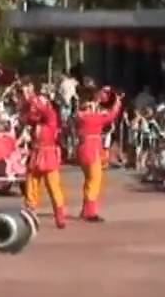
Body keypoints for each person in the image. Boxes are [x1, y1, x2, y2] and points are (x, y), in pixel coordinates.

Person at [19, 82, 68, 229]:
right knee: (30, 187)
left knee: (54, 188)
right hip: (36, 154)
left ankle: (60, 217)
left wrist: (33, 97)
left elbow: (45, 111)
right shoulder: (35, 121)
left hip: (48, 154)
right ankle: (30, 214)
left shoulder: (51, 117)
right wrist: (27, 100)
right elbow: (25, 116)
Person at [73, 83, 124, 222]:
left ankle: (85, 209)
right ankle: (90, 212)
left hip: (82, 148)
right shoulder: (94, 117)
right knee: (94, 181)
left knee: (89, 180)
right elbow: (112, 114)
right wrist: (117, 101)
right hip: (92, 148)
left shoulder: (80, 116)